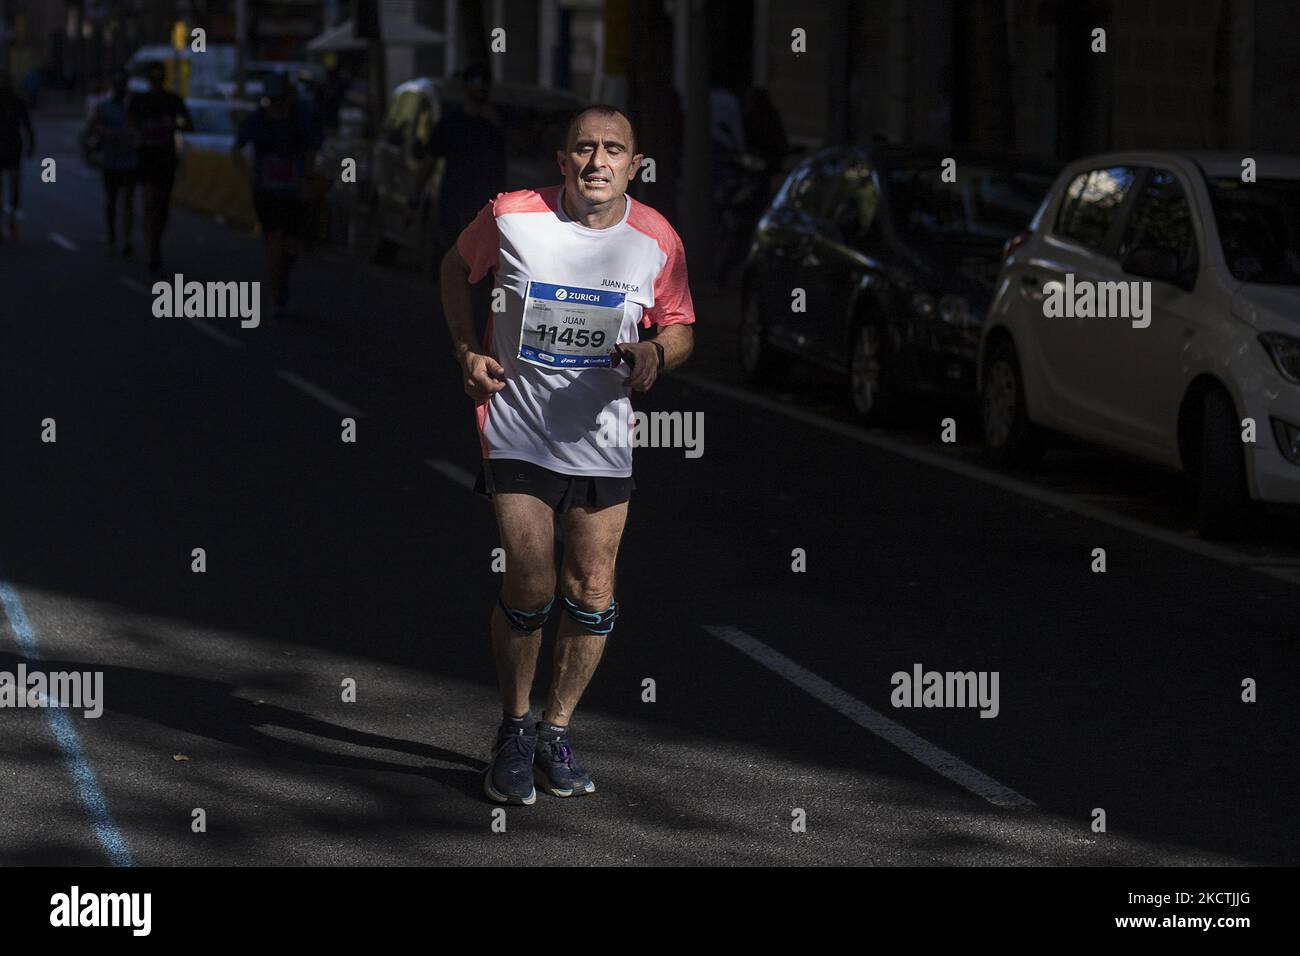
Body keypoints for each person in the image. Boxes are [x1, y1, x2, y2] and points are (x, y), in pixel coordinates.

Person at [440, 104, 696, 804]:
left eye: (614, 149)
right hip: (517, 426)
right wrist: (467, 354)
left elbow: (680, 326)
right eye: (584, 148)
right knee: (530, 582)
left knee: (592, 592)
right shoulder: (513, 215)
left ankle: (554, 729)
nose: (597, 161)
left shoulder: (656, 239)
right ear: (562, 161)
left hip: (602, 440)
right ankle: (514, 728)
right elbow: (453, 270)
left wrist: (653, 353)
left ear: (634, 165)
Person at [232, 73, 323, 318]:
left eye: (281, 99)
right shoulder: (257, 121)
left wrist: (307, 177)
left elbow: (312, 149)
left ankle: (282, 278)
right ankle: (275, 293)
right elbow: (236, 149)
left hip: (293, 192)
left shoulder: (300, 120)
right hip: (266, 191)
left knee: (292, 246)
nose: (278, 105)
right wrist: (248, 174)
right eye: (273, 100)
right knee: (275, 238)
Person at [428, 63, 506, 263]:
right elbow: (430, 158)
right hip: (454, 198)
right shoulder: (451, 122)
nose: (480, 88)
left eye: (483, 84)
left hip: (484, 200)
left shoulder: (494, 125)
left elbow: (502, 163)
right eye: (475, 83)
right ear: (465, 87)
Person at [127, 62, 192, 273]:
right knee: (149, 201)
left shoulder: (172, 101)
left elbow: (189, 123)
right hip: (147, 158)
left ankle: (155, 240)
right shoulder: (140, 102)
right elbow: (129, 124)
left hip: (165, 159)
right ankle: (151, 249)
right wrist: (138, 133)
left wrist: (173, 124)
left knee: (162, 205)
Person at [85, 70, 139, 256]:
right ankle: (112, 236)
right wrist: (105, 132)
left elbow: (138, 129)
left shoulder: (132, 107)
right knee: (112, 201)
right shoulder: (104, 107)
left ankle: (127, 238)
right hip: (111, 160)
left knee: (128, 201)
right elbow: (91, 127)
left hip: (130, 160)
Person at [0, 73, 35, 243]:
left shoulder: (16, 101)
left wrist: (31, 144)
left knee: (14, 186)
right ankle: (9, 221)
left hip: (13, 147)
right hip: (7, 147)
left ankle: (12, 219)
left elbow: (27, 124)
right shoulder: (15, 100)